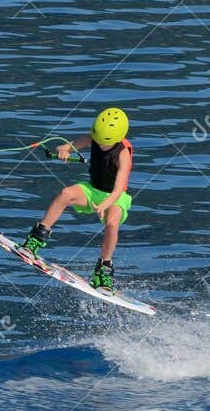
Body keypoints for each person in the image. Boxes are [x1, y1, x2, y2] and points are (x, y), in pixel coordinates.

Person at [20, 108, 132, 291]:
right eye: (98, 140)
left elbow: (119, 189)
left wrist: (104, 204)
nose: (100, 145)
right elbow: (64, 147)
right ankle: (35, 240)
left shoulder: (123, 154)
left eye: (105, 143)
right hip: (92, 190)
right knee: (65, 194)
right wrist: (64, 151)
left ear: (118, 137)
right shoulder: (93, 138)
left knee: (112, 222)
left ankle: (103, 271)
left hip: (116, 197)